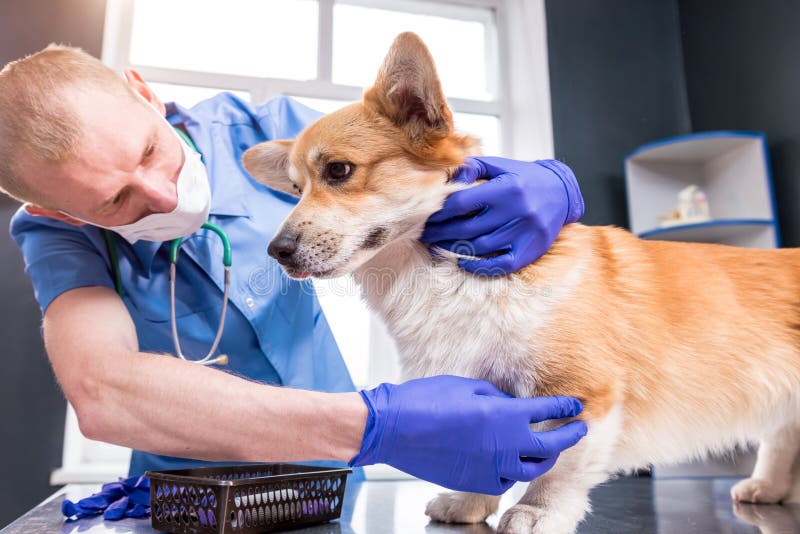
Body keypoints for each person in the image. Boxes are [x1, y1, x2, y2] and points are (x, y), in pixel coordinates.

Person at [0, 45, 587, 496]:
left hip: (334, 482)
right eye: (113, 202)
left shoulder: (266, 132)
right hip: (193, 500)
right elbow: (105, 392)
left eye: (150, 151)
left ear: (142, 92)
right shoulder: (57, 234)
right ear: (57, 211)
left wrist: (547, 181)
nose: (161, 194)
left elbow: (406, 160)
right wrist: (379, 427)